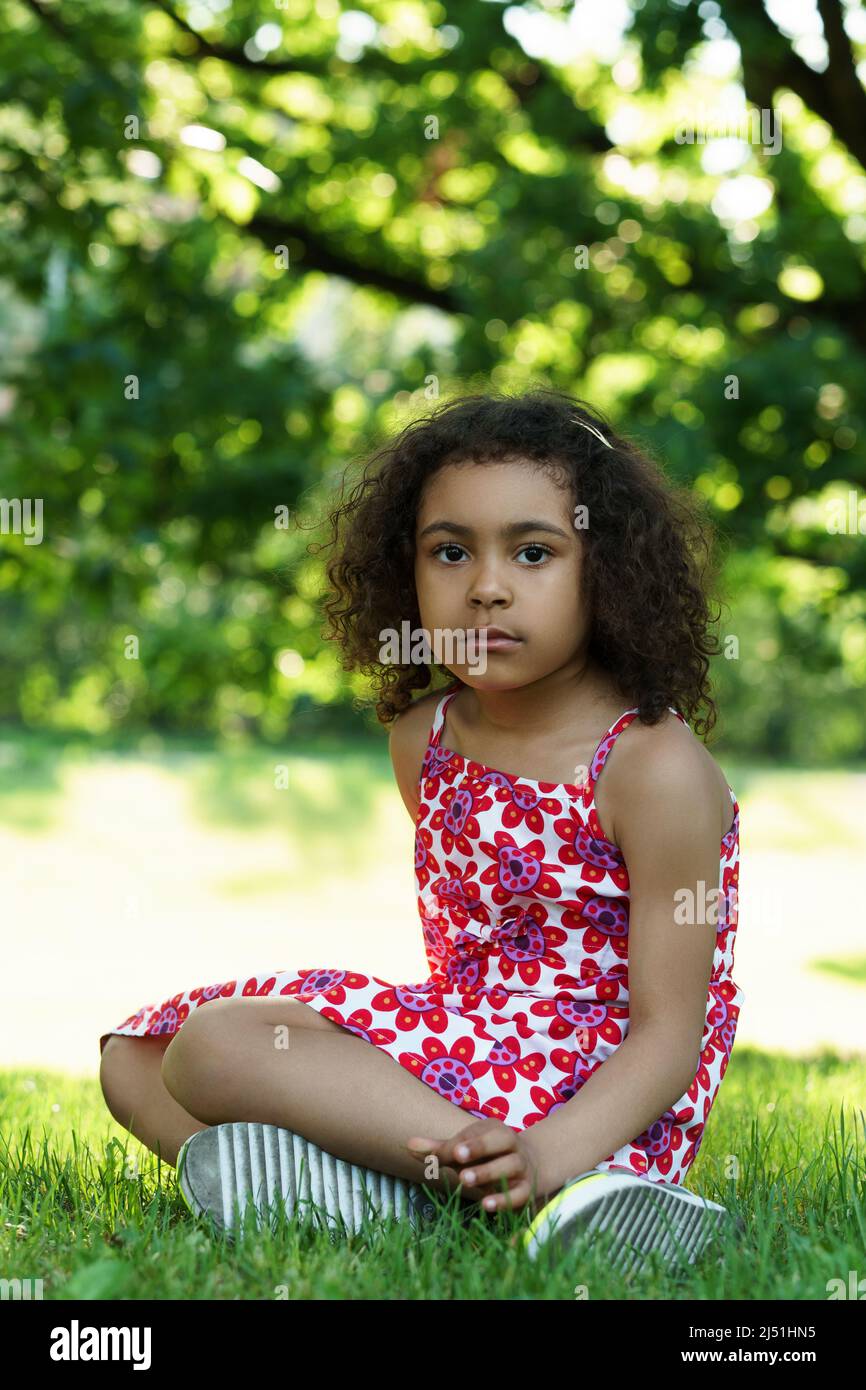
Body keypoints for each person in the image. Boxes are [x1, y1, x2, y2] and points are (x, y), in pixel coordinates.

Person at [99, 387, 742, 1226]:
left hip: (597, 1100)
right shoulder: (424, 740)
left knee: (219, 1046)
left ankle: (545, 1189)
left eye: (534, 554)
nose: (487, 589)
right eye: (450, 553)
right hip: (468, 1051)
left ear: (607, 569)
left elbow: (669, 1040)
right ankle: (416, 1196)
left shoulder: (653, 768)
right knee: (136, 1058)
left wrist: (547, 1148)